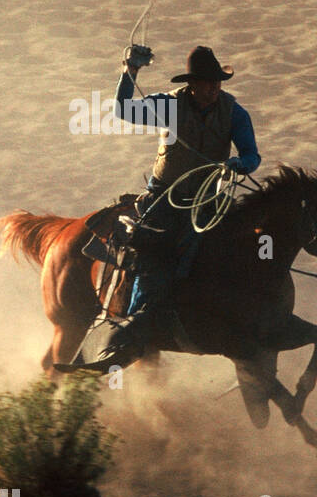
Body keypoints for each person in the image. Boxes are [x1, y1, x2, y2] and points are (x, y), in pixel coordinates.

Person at [60, 44, 261, 372]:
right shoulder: (168, 105)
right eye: (208, 83)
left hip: (208, 200)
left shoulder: (234, 112)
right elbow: (123, 110)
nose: (214, 89)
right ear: (192, 83)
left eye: (217, 83)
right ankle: (136, 323)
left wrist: (241, 163)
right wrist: (130, 72)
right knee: (152, 253)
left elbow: (253, 154)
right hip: (164, 199)